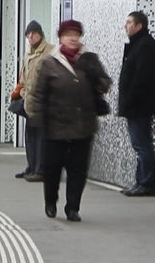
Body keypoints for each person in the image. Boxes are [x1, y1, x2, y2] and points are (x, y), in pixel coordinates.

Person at [26, 19, 111, 223]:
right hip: (55, 125)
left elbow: (105, 84)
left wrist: (96, 77)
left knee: (78, 169)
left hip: (83, 125)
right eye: (68, 35)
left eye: (76, 34)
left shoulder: (89, 59)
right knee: (53, 168)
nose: (73, 38)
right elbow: (39, 93)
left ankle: (73, 207)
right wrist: (37, 118)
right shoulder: (50, 62)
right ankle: (50, 201)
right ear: (61, 38)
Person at [118, 10, 155, 196]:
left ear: (139, 26)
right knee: (140, 145)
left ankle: (146, 183)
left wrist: (129, 100)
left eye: (129, 22)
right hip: (136, 104)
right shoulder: (138, 45)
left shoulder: (145, 46)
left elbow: (142, 78)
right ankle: (141, 181)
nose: (126, 26)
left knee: (142, 145)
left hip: (139, 105)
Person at [12, 20, 51, 182]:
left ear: (40, 34)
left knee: (41, 137)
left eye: (33, 34)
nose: (30, 37)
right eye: (28, 34)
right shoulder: (28, 55)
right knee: (30, 137)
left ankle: (40, 170)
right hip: (29, 101)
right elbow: (24, 78)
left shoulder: (49, 52)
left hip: (43, 102)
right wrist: (21, 91)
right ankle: (31, 166)